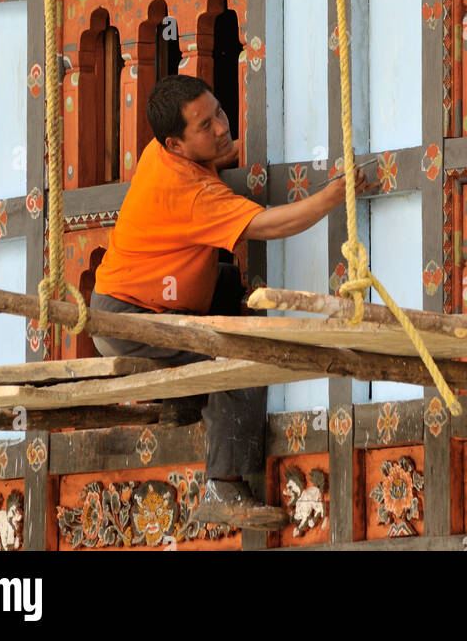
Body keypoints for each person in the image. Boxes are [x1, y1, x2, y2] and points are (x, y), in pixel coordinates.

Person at [91, 73, 373, 529]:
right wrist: (330, 197)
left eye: (219, 111)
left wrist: (240, 147)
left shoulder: (160, 153)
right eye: (206, 126)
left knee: (224, 281)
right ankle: (222, 486)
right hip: (128, 323)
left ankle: (180, 400)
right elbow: (269, 226)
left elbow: (220, 152)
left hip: (142, 306)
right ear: (176, 144)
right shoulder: (186, 191)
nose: (221, 127)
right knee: (237, 352)